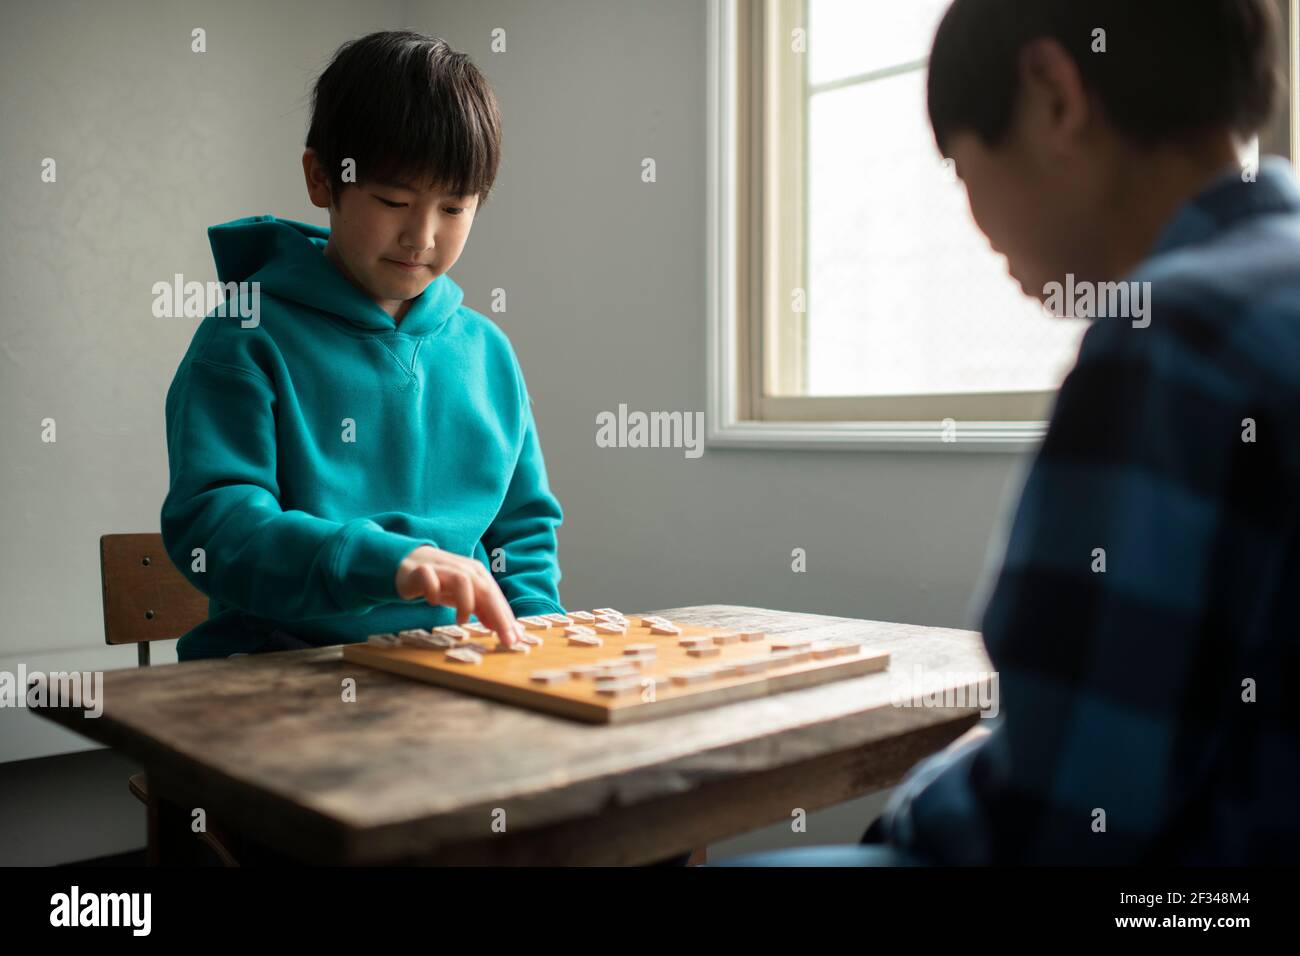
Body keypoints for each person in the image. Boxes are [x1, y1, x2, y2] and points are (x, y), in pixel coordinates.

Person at [718, 0, 1299, 866]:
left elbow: (1059, 817)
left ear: (1053, 96)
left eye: (961, 169)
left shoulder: (1169, 340)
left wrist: (912, 799)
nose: (974, 219)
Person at [161, 32, 565, 661]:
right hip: (281, 668)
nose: (422, 236)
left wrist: (539, 628)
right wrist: (382, 562)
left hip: (453, 670)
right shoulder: (245, 338)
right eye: (393, 201)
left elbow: (523, 531)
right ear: (322, 178)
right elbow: (216, 528)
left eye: (455, 209)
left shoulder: (487, 352)